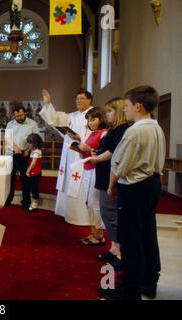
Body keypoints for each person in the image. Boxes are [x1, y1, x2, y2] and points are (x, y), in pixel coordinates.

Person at [98, 86, 165, 300]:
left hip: (134, 187)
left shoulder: (135, 130)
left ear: (137, 106)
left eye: (126, 106)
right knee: (147, 235)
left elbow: (119, 164)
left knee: (131, 239)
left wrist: (111, 185)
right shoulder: (155, 127)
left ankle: (130, 289)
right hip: (152, 183)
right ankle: (149, 282)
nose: (124, 110)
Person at [39, 89, 93, 225]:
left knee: (79, 185)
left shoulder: (94, 115)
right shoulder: (72, 116)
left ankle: (81, 217)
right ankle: (68, 212)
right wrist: (48, 103)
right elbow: (54, 119)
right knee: (68, 181)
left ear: (89, 100)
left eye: (81, 98)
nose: (78, 101)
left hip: (83, 155)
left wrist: (80, 139)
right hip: (69, 153)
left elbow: (97, 135)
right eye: (77, 99)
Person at [88, 98, 130, 270]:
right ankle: (113, 248)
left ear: (119, 111)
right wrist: (96, 153)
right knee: (106, 213)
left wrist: (95, 158)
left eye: (110, 111)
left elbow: (114, 153)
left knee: (111, 214)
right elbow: (105, 149)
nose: (107, 114)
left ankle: (120, 252)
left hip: (111, 177)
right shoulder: (114, 130)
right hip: (104, 175)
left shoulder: (123, 130)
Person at [75, 107, 109, 246]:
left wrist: (88, 149)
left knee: (94, 203)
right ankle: (93, 232)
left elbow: (103, 152)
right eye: (89, 120)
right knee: (88, 203)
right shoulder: (92, 134)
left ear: (101, 119)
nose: (90, 123)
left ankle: (99, 235)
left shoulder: (104, 133)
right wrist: (80, 150)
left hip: (97, 170)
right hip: (87, 169)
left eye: (93, 119)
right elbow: (88, 152)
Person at [5, 105, 40, 210]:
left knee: (26, 178)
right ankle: (8, 199)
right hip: (13, 154)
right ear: (14, 115)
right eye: (16, 116)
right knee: (10, 178)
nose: (19, 117)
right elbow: (7, 138)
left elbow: (35, 139)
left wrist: (28, 150)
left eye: (20, 115)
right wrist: (15, 148)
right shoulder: (10, 124)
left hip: (26, 153)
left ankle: (25, 201)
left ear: (25, 113)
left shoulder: (32, 124)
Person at [25, 133, 43, 212]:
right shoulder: (35, 151)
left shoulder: (36, 152)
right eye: (28, 142)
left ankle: (35, 204)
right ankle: (34, 202)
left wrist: (28, 171)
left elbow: (33, 163)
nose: (28, 144)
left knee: (34, 188)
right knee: (32, 187)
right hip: (34, 172)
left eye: (30, 143)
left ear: (35, 143)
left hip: (35, 173)